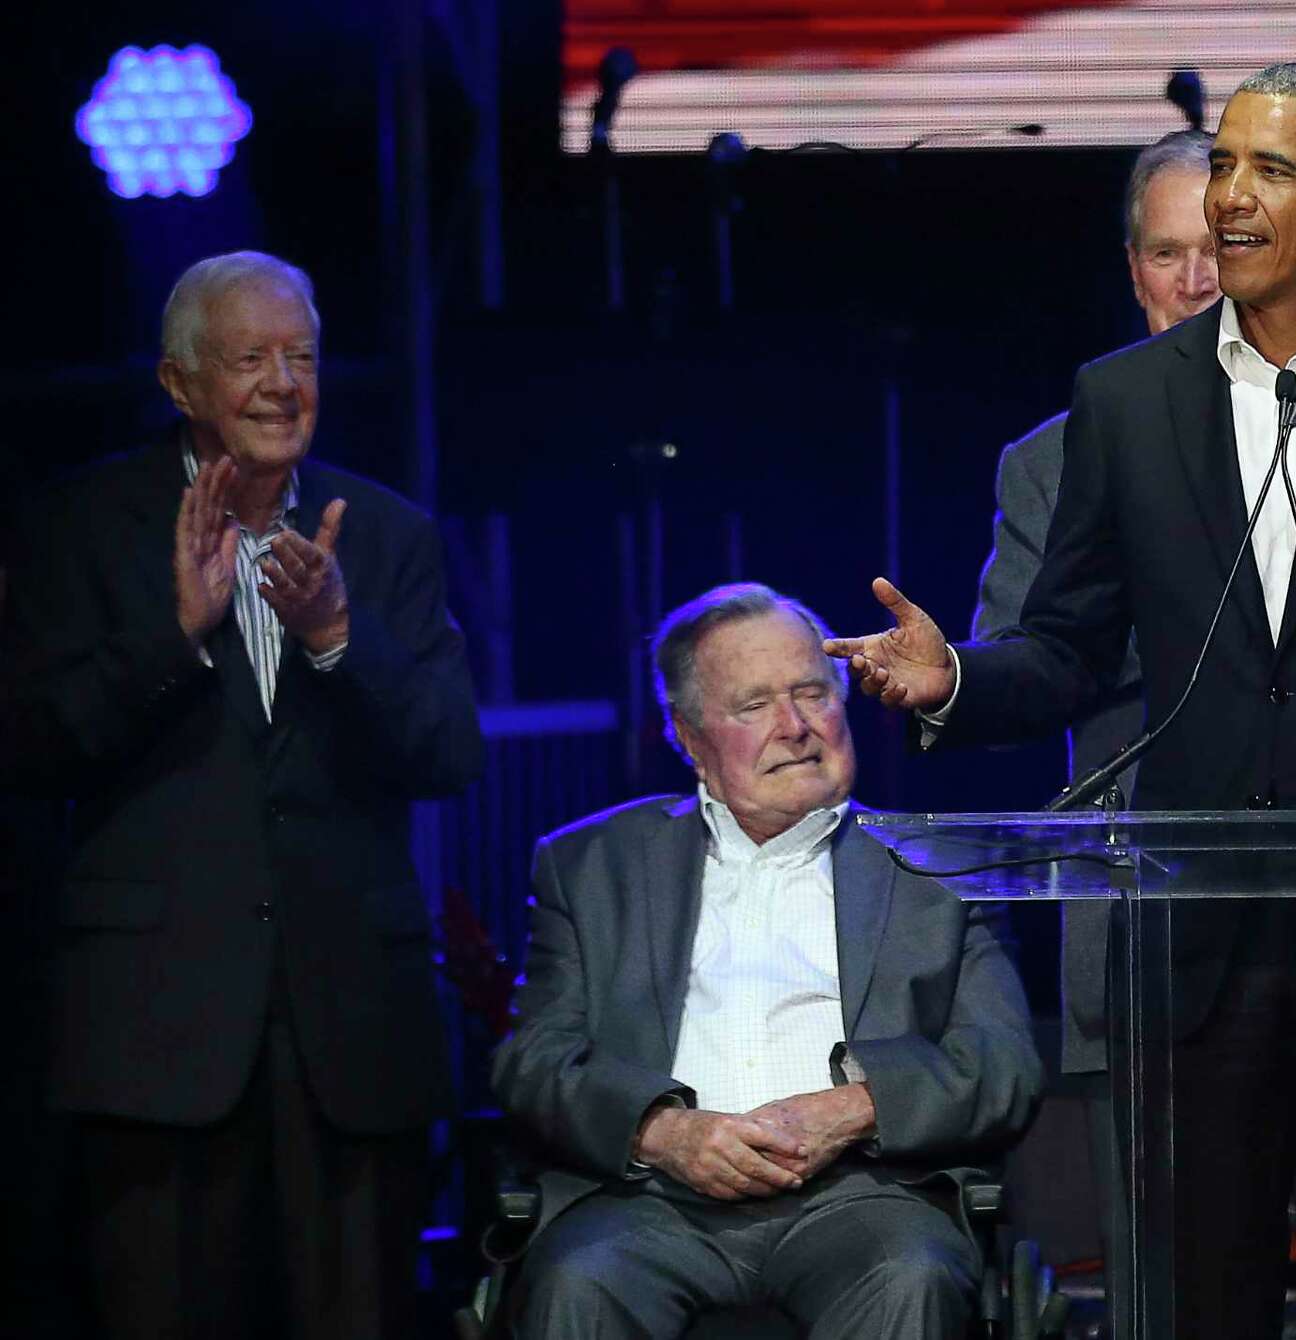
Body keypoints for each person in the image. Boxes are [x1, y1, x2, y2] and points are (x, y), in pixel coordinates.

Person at [828, 62, 1296, 1339]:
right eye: (1224, 163)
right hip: (1195, 941)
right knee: (1195, 1300)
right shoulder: (1124, 401)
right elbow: (1063, 646)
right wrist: (958, 679)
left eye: (1270, 170)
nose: (1231, 196)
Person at [0, 250, 485, 1338]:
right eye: (250, 358)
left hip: (351, 1030)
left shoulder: (389, 533)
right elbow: (28, 746)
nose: (282, 383)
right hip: (154, 1030)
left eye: (301, 356)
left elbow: (451, 751)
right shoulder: (76, 526)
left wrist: (340, 639)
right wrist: (170, 636)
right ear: (180, 385)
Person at [969, 124, 1296, 1339]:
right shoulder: (1053, 461)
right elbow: (1029, 663)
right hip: (1155, 936)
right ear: (1134, 270)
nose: (1197, 279)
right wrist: (948, 684)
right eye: (1167, 252)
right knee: (1181, 1299)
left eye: (1223, 245)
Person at [491, 582, 1044, 1338]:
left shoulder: (936, 867)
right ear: (686, 735)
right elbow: (533, 1061)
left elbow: (1003, 1063)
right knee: (575, 1285)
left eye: (812, 692)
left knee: (910, 1277)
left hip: (863, 1197)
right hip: (649, 1204)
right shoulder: (590, 865)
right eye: (754, 706)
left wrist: (858, 1109)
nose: (795, 727)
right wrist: (663, 1131)